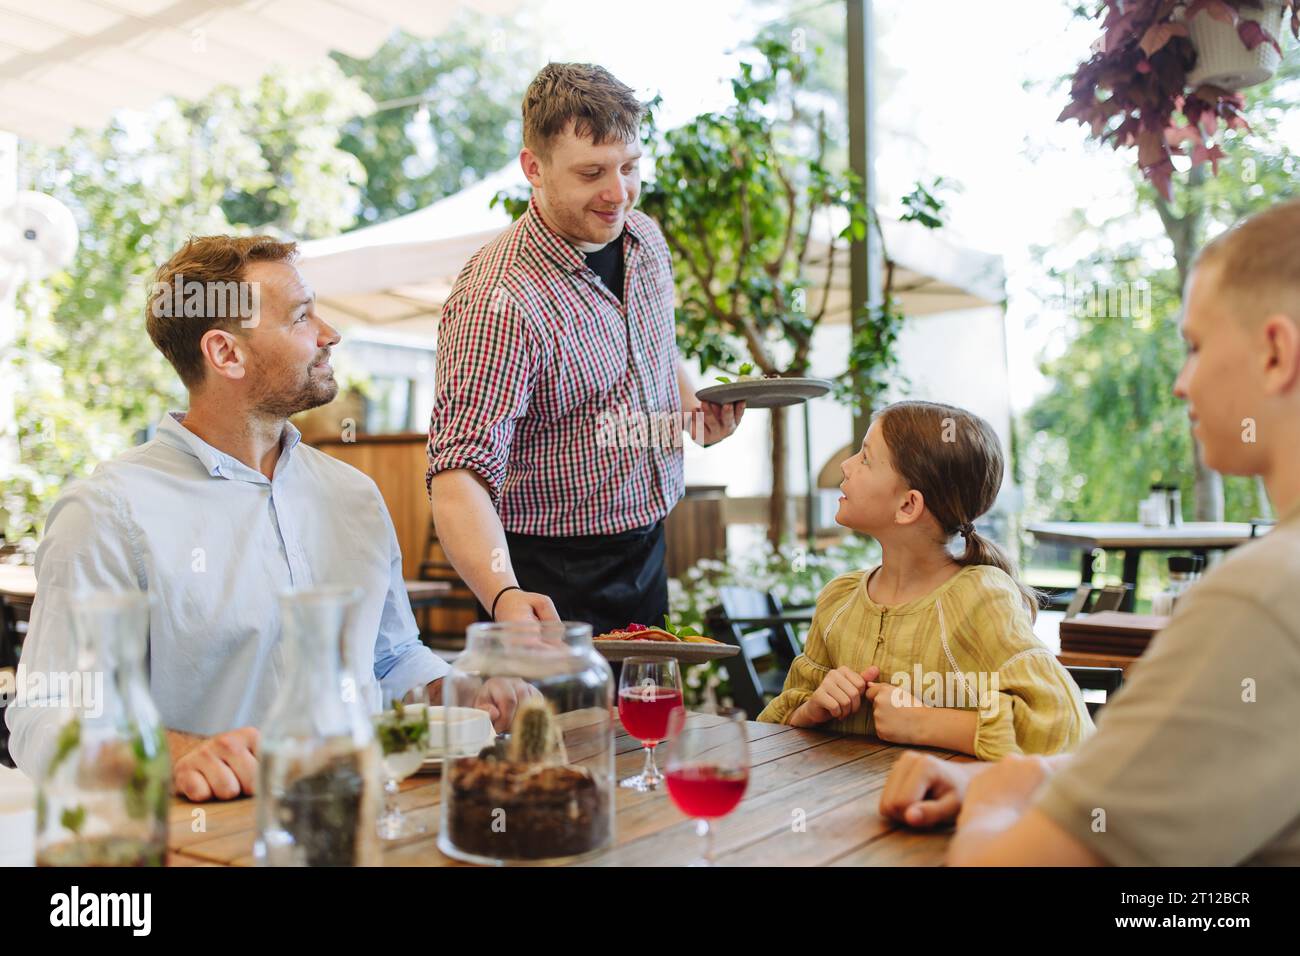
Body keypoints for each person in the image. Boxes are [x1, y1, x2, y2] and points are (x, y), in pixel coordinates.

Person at [7, 235, 528, 802]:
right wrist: (175, 755)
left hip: (367, 828)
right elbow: (44, 718)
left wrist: (458, 691)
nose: (330, 333)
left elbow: (390, 657)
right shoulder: (106, 511)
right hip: (212, 841)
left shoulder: (353, 494)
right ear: (226, 353)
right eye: (302, 316)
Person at [879, 200, 1300, 865]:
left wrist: (996, 796)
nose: (1180, 384)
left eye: (1194, 346)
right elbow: (1183, 774)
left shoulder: (1261, 599)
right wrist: (1026, 776)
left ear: (1275, 353)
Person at [427, 63, 744, 637]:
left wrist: (693, 407)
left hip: (647, 545)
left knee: (645, 728)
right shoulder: (497, 299)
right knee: (560, 731)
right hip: (544, 574)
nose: (617, 192)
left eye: (629, 167)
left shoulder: (645, 239)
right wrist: (503, 594)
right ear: (534, 168)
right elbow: (457, 472)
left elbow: (653, 349)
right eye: (592, 172)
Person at [758, 401, 1092, 760]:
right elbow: (772, 730)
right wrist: (812, 711)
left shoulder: (981, 598)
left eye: (866, 458)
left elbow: (1067, 727)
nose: (846, 464)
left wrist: (924, 722)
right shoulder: (838, 600)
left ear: (908, 506)